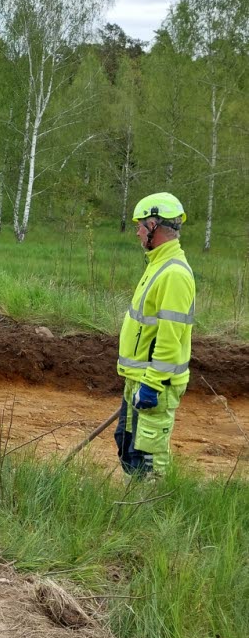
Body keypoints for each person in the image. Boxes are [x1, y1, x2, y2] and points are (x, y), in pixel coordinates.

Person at [114, 192, 195, 476]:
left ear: (153, 225)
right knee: (127, 447)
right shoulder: (158, 264)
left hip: (153, 383)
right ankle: (134, 509)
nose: (136, 230)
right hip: (139, 378)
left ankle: (152, 510)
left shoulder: (174, 273)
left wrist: (153, 384)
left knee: (148, 458)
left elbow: (170, 337)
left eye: (139, 224)